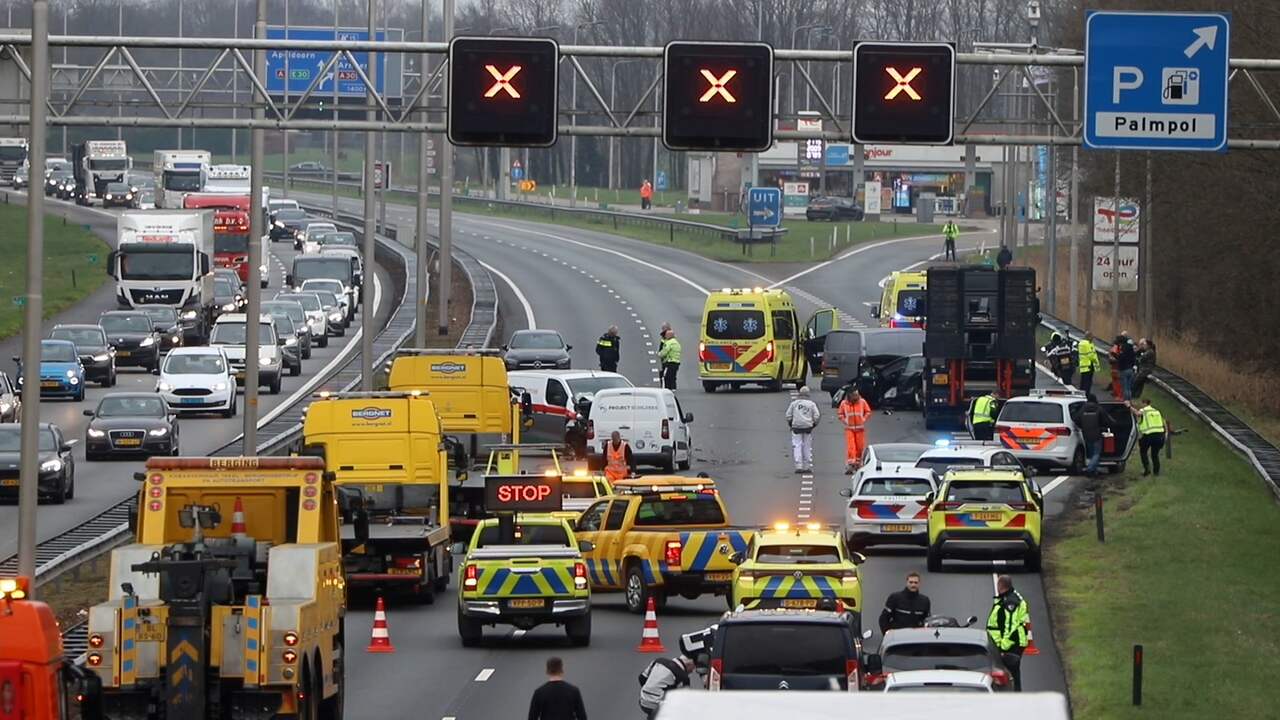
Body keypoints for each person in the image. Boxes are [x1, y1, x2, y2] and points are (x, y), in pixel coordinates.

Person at [987, 575, 1031, 692]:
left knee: (1010, 673)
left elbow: (1010, 627)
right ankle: (1015, 694)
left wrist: (1003, 648)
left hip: (1010, 645)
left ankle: (1013, 696)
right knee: (1012, 674)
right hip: (1011, 643)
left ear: (1000, 586)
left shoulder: (1010, 602)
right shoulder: (1009, 598)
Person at [1069, 393, 1108, 476]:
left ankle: (1094, 470)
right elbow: (1105, 420)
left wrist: (1082, 427)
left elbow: (1076, 419)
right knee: (1096, 453)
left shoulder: (1083, 409)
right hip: (1097, 434)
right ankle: (1090, 469)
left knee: (1090, 454)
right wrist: (1103, 427)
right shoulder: (1099, 408)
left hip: (1086, 434)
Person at [785, 386, 821, 474]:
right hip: (808, 427)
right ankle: (807, 466)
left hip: (796, 427)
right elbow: (817, 416)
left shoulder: (794, 404)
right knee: (807, 446)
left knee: (797, 445)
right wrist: (813, 424)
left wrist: (791, 423)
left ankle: (799, 465)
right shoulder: (811, 404)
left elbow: (788, 415)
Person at [837, 387, 872, 475]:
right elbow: (840, 414)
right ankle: (851, 465)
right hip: (849, 429)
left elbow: (868, 411)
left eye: (857, 394)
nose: (857, 396)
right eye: (855, 395)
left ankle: (858, 464)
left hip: (860, 429)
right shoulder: (844, 403)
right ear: (850, 395)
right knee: (851, 447)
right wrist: (845, 421)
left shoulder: (862, 402)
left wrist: (863, 419)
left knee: (860, 447)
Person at [1131, 398, 1168, 476]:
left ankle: (1147, 469)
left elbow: (1137, 413)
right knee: (1155, 454)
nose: (1140, 405)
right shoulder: (1157, 411)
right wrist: (1166, 434)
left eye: (1141, 403)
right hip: (1159, 435)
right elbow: (1164, 422)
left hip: (1148, 436)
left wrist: (1129, 407)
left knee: (1143, 452)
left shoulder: (1144, 410)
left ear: (1144, 403)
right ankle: (1156, 472)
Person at [1113, 333, 1137, 400]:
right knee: (1129, 387)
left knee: (1125, 387)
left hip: (1124, 369)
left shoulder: (1123, 348)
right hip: (1130, 369)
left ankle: (1126, 401)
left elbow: (1121, 358)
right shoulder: (1130, 347)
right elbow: (1133, 358)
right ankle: (1129, 400)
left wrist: (1116, 356)